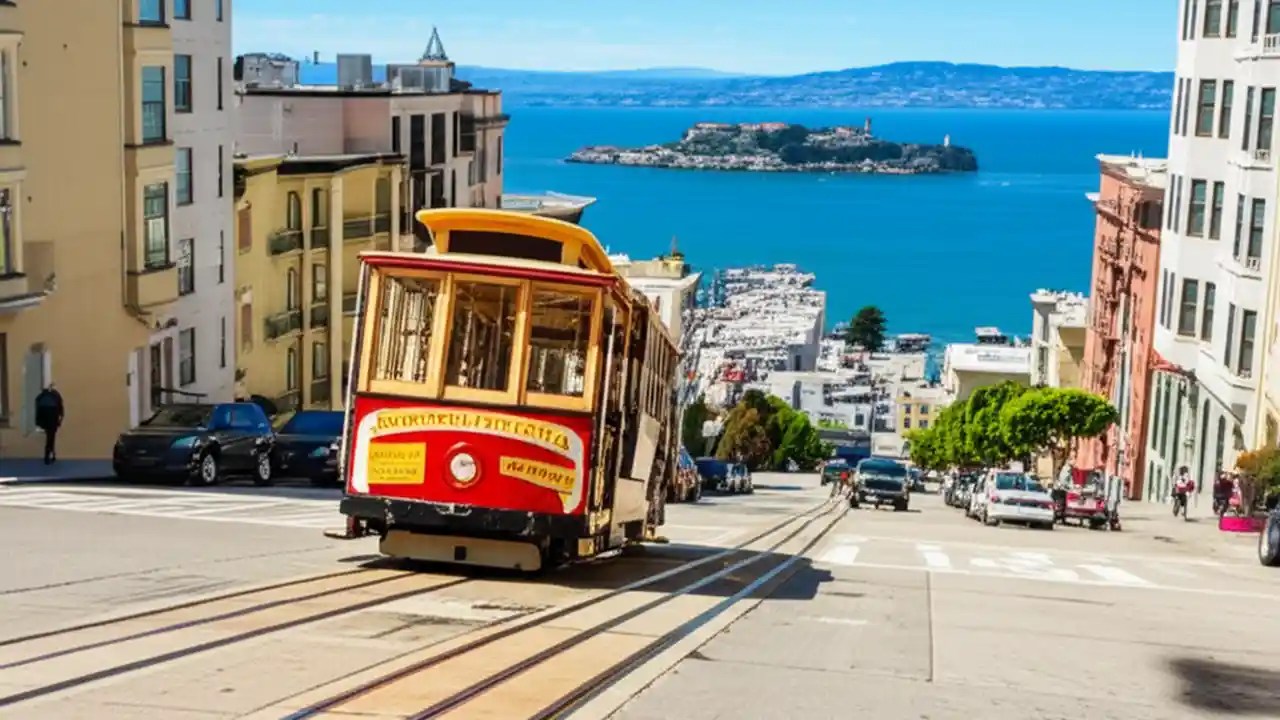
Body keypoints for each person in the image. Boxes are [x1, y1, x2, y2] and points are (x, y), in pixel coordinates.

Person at [34, 383, 64, 464]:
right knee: (51, 437)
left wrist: (38, 421)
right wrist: (60, 420)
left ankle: (50, 453)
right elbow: (61, 409)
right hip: (53, 419)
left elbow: (37, 407)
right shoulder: (56, 396)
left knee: (50, 437)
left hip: (45, 419)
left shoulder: (42, 396)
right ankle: (49, 454)